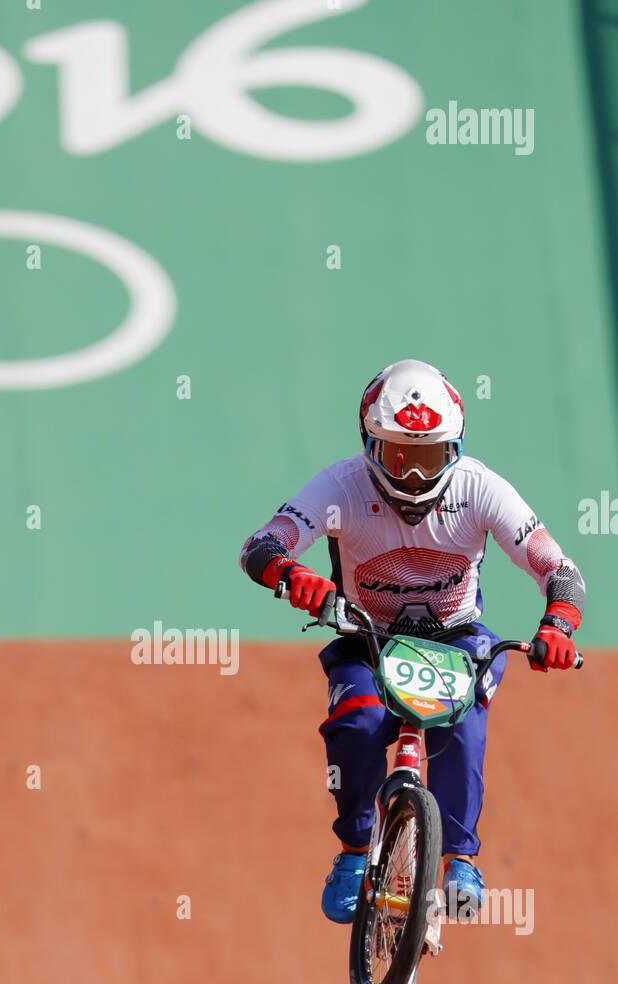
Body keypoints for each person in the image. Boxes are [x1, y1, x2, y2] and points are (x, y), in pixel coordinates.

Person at [239, 359, 584, 924]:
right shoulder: (339, 487)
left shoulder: (481, 489)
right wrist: (291, 575)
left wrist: (558, 626)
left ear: (457, 448)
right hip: (365, 633)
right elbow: (260, 545)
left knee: (466, 718)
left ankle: (460, 860)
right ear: (368, 446)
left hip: (458, 636)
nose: (415, 478)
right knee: (358, 721)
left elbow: (559, 571)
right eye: (400, 457)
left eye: (430, 458)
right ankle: (354, 852)